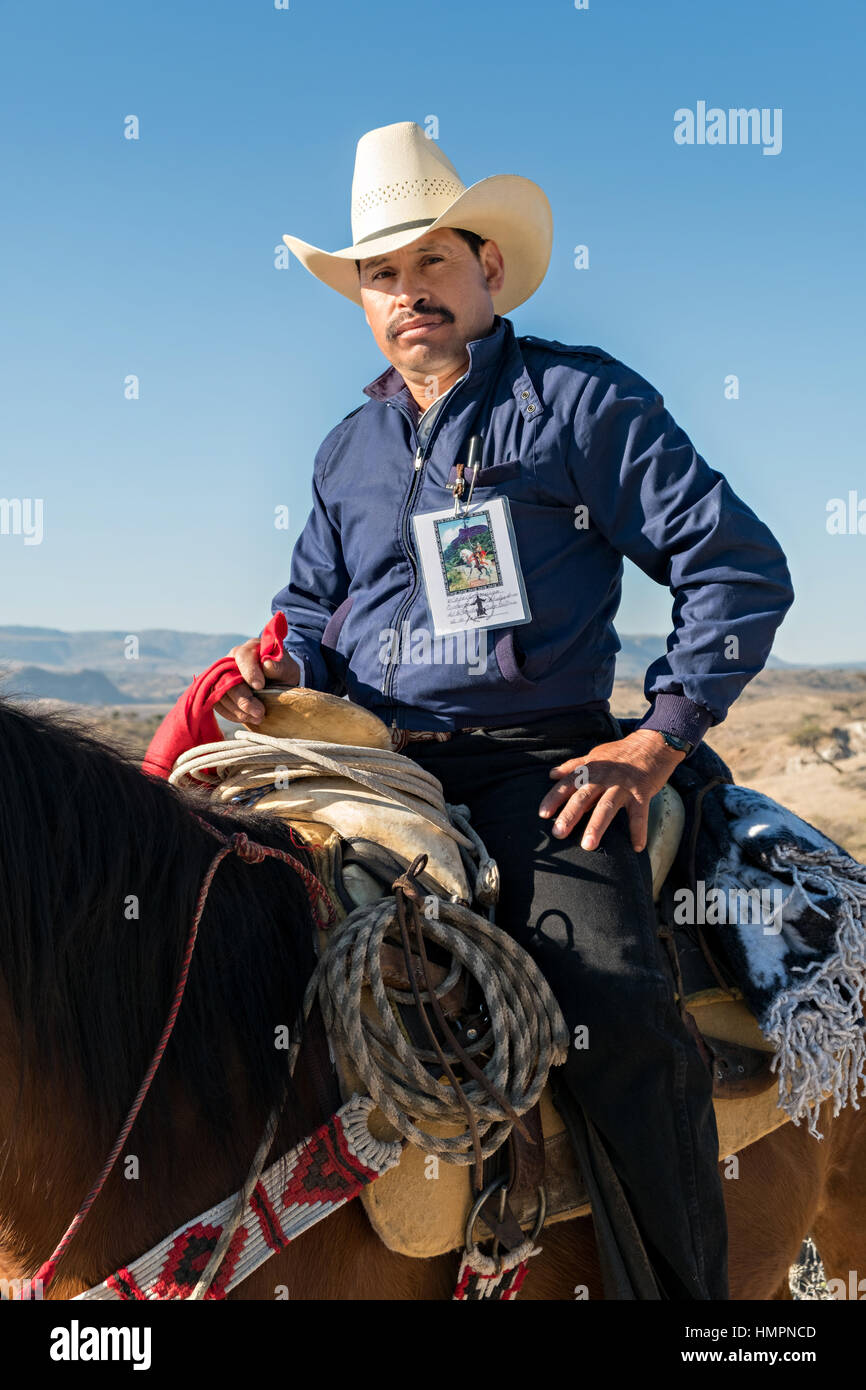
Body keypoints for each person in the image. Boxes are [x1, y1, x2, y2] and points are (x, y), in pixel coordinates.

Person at [215, 122, 795, 1299]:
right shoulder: (348, 449)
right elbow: (312, 612)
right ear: (362, 299)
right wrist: (272, 679)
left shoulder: (577, 402)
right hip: (368, 768)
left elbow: (735, 566)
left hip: (540, 768)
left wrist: (650, 739)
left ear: (487, 268)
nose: (407, 291)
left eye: (432, 262)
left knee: (615, 1017)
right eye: (382, 273)